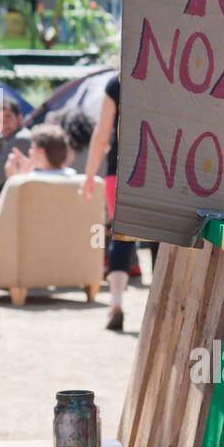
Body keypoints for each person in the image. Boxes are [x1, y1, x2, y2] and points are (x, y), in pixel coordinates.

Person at [83, 73, 130, 332]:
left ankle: (116, 301)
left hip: (119, 172)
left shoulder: (117, 83)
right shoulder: (164, 77)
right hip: (160, 171)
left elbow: (102, 135)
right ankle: (158, 306)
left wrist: (90, 175)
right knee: (161, 239)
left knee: (121, 236)